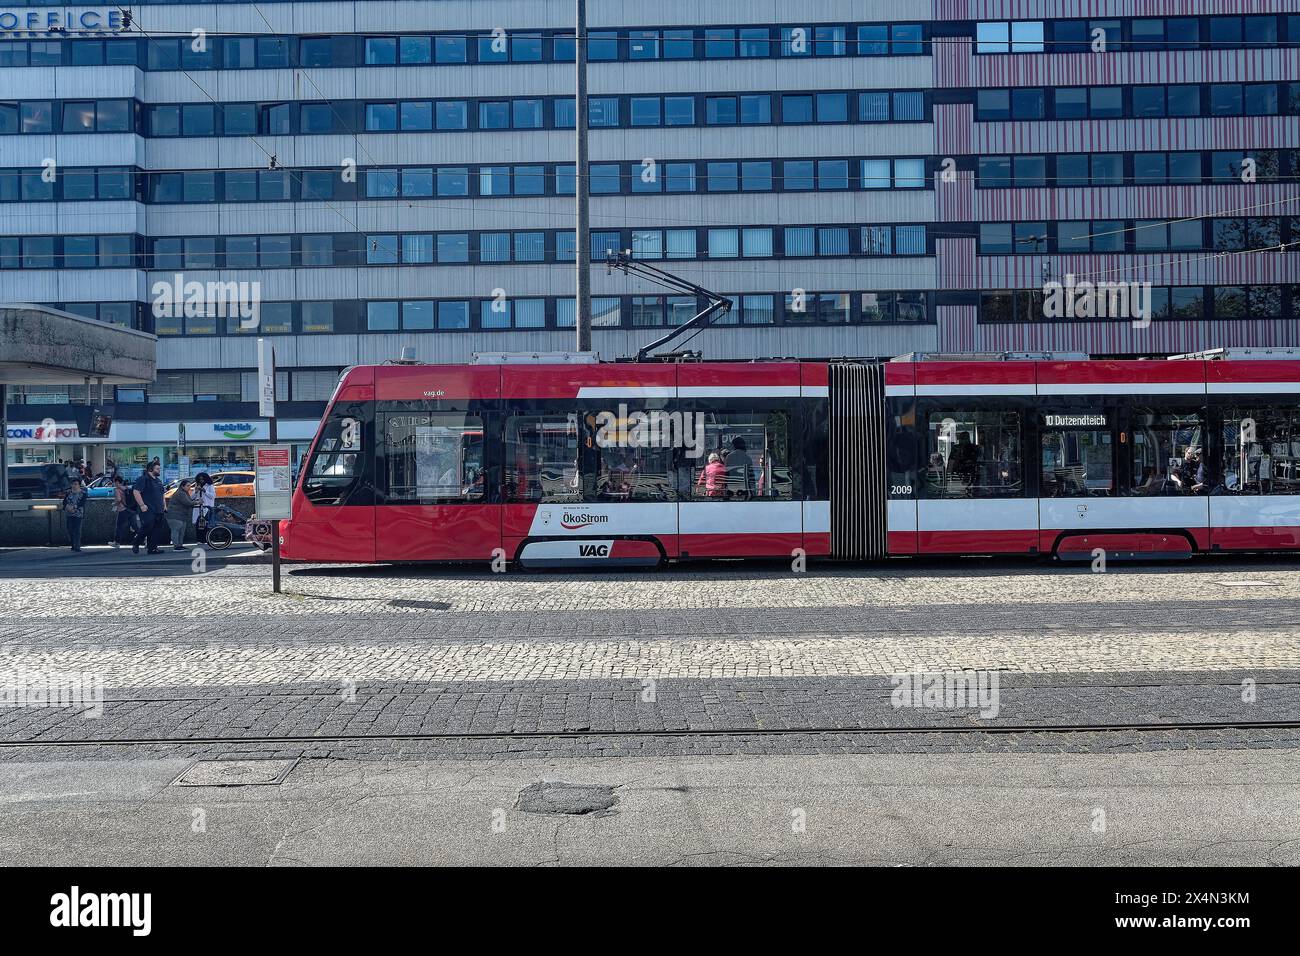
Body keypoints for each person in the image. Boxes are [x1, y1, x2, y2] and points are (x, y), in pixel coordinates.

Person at [131, 460, 167, 555]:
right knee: (148, 526)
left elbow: (162, 494)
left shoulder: (158, 481)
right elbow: (136, 491)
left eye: (159, 468)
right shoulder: (143, 479)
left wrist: (164, 506)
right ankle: (136, 542)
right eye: (157, 469)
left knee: (156, 530)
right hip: (147, 509)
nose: (159, 470)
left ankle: (152, 548)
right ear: (151, 469)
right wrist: (142, 505)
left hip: (159, 509)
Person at [167, 479, 197, 552]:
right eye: (187, 486)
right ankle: (176, 546)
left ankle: (179, 546)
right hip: (174, 516)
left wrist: (196, 492)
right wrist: (197, 502)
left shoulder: (184, 492)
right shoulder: (181, 493)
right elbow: (188, 502)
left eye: (190, 486)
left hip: (181, 516)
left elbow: (189, 500)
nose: (189, 487)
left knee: (181, 532)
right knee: (176, 531)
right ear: (182, 486)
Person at [62, 477, 88, 552]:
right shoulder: (68, 492)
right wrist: (67, 507)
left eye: (76, 484)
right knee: (70, 529)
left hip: (78, 514)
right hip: (69, 513)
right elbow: (64, 502)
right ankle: (73, 544)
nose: (74, 486)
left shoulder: (83, 493)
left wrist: (74, 507)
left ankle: (77, 546)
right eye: (73, 484)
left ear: (79, 485)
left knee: (77, 530)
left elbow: (82, 503)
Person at [110, 474, 134, 548]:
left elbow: (119, 500)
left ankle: (117, 543)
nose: (114, 484)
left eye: (114, 482)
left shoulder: (117, 490)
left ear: (117, 482)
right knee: (135, 526)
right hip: (130, 509)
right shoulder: (126, 488)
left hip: (122, 510)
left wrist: (114, 504)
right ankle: (146, 540)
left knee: (119, 527)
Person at [192, 472, 216, 544]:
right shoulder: (197, 486)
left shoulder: (210, 486)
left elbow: (213, 496)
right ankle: (199, 539)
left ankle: (206, 539)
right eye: (199, 479)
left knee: (206, 524)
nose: (201, 480)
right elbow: (191, 497)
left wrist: (204, 490)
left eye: (202, 479)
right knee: (198, 524)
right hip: (198, 508)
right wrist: (196, 492)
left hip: (207, 507)